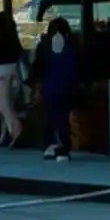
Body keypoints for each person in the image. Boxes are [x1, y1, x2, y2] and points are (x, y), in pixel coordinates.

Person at [36, 18, 80, 162]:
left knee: (52, 117)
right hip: (65, 87)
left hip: (51, 86)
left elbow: (39, 67)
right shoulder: (71, 46)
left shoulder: (45, 45)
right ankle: (62, 146)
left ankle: (52, 144)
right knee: (62, 118)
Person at [0, 12, 25, 147]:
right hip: (13, 70)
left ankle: (15, 129)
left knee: (1, 105)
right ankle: (5, 135)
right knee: (9, 104)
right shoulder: (13, 36)